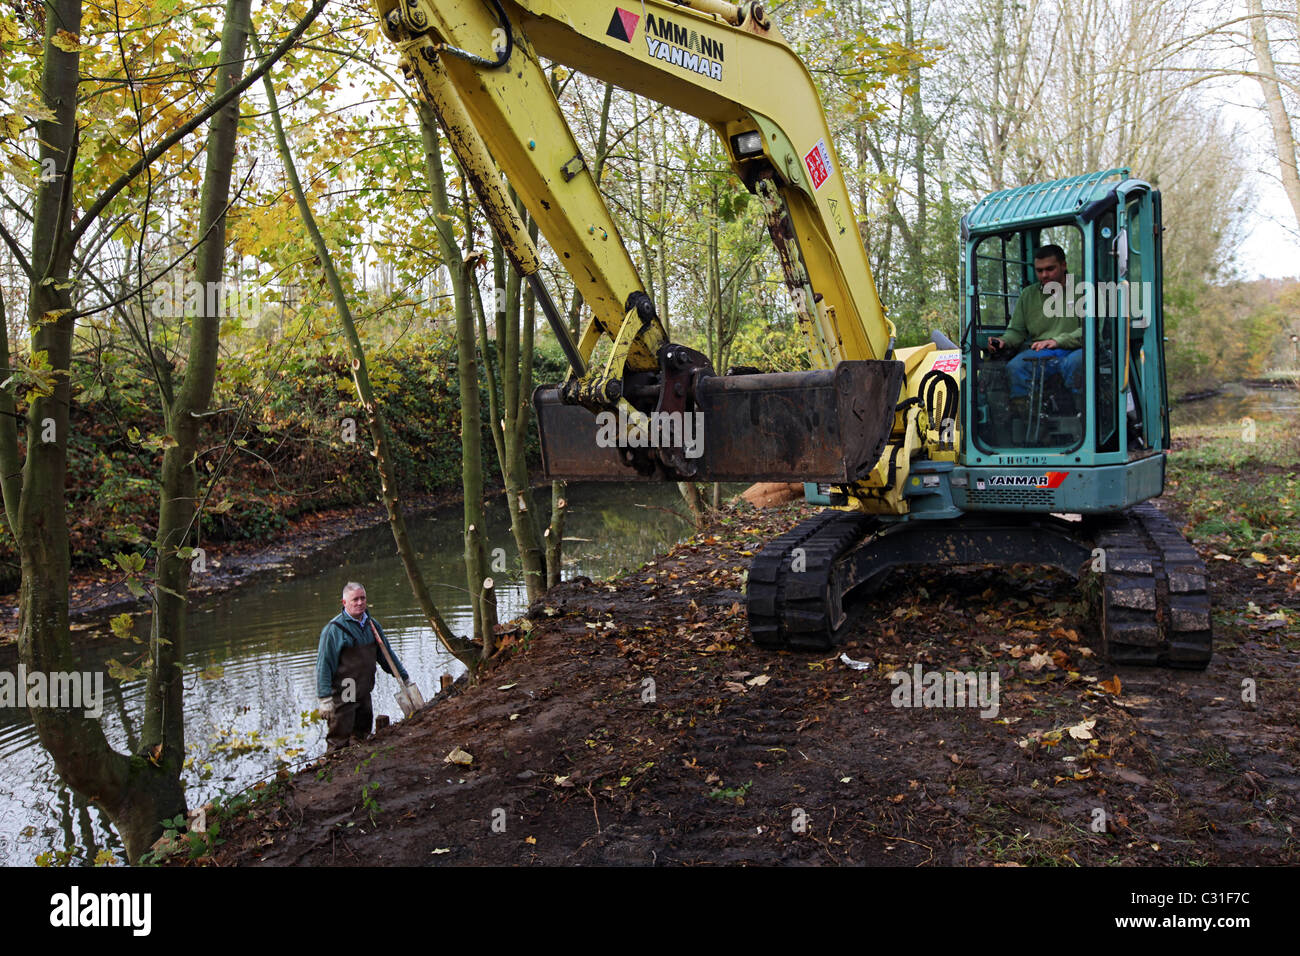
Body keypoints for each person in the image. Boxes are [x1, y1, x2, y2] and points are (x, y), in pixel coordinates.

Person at [988, 244, 1084, 417]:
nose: (1044, 275)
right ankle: (1032, 425)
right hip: (1043, 354)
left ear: (1064, 265)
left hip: (1076, 350)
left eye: (1050, 269)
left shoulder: (1084, 289)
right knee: (1016, 367)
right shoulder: (1028, 295)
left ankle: (1082, 419)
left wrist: (1057, 341)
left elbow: (1090, 331)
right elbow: (1017, 331)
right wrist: (1004, 340)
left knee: (1075, 363)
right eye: (1039, 271)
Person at [316, 582, 410, 751]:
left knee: (362, 732)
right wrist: (324, 698)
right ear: (344, 602)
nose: (360, 603)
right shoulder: (334, 630)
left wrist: (405, 678)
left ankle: (358, 767)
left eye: (362, 598)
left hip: (365, 687)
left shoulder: (372, 625)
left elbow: (387, 655)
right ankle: (333, 767)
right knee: (341, 734)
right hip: (347, 688)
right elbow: (324, 665)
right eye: (355, 599)